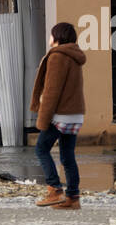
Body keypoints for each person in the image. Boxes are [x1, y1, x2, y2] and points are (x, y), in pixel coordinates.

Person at [31, 22, 86, 210]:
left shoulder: (57, 57)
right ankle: (73, 198)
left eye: (51, 35)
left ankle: (54, 190)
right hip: (75, 114)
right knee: (68, 156)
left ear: (57, 38)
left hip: (60, 114)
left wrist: (43, 119)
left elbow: (51, 92)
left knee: (41, 149)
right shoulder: (75, 56)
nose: (49, 39)